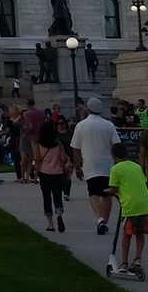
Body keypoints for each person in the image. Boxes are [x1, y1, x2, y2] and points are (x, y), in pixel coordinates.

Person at [73, 96, 121, 235]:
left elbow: (76, 148)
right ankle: (104, 221)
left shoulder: (81, 125)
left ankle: (99, 219)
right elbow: (116, 146)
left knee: (93, 193)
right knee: (107, 194)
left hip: (90, 163)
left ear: (88, 109)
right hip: (107, 164)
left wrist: (77, 167)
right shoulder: (108, 125)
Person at [112, 142, 148, 277]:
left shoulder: (115, 169)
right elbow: (142, 182)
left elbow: (113, 188)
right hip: (144, 204)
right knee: (140, 233)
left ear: (114, 155)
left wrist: (106, 191)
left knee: (126, 234)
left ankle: (124, 262)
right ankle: (137, 259)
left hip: (129, 206)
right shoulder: (137, 166)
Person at [35, 121, 69, 232]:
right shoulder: (58, 144)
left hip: (44, 173)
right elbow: (63, 159)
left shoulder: (38, 145)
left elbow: (38, 160)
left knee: (46, 197)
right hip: (57, 173)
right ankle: (59, 214)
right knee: (57, 196)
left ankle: (50, 224)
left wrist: (35, 175)